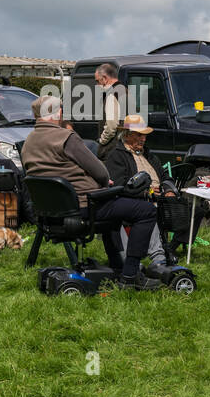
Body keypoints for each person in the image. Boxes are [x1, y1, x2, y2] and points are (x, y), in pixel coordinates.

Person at [21, 95, 161, 289]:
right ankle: (130, 276)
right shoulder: (66, 137)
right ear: (58, 113)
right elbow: (100, 171)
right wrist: (104, 181)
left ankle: (118, 266)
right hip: (84, 206)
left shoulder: (28, 142)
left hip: (51, 212)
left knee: (116, 214)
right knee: (146, 210)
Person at [105, 113, 187, 264]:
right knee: (148, 209)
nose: (143, 139)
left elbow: (165, 176)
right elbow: (119, 186)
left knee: (193, 208)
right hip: (135, 201)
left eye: (144, 135)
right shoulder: (117, 156)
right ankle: (158, 257)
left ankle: (171, 247)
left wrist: (169, 189)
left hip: (160, 199)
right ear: (127, 135)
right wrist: (146, 193)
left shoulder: (149, 155)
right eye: (139, 135)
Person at [93, 63, 124, 159]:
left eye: (98, 81)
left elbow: (111, 127)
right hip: (124, 146)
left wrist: (101, 141)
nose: (97, 85)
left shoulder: (111, 95)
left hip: (112, 150)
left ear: (105, 78)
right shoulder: (125, 90)